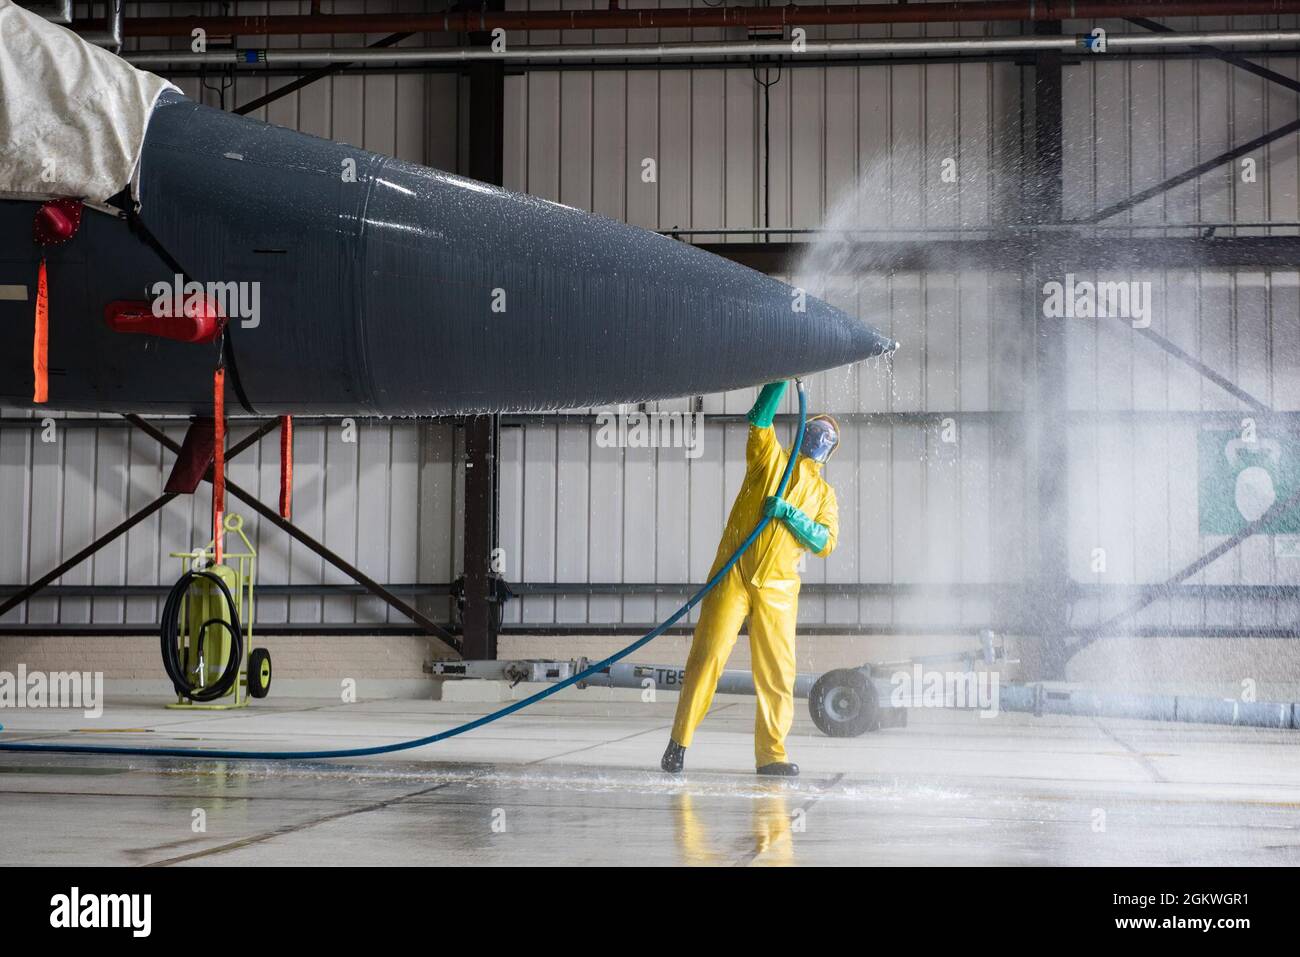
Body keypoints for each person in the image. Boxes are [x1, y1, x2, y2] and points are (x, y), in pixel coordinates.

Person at [661, 381, 839, 776]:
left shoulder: (824, 495)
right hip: (734, 576)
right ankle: (679, 742)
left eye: (827, 436)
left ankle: (771, 755)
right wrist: (779, 376)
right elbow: (759, 419)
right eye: (816, 428)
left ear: (830, 451)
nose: (819, 436)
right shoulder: (769, 459)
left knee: (778, 673)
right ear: (803, 430)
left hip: (778, 591)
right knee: (706, 658)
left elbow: (826, 542)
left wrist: (790, 515)